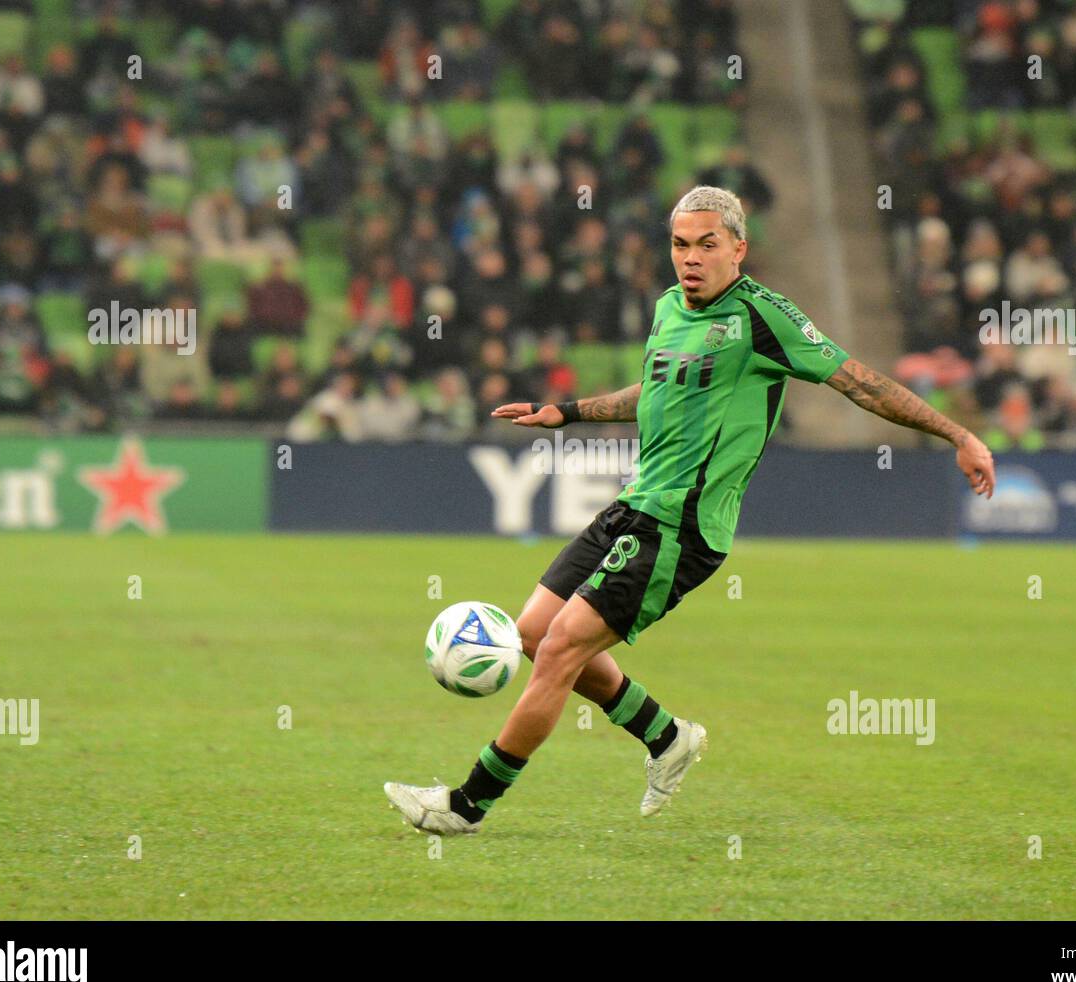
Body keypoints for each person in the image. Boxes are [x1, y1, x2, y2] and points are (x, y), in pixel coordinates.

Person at [385, 187, 996, 834]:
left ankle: (465, 805)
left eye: (708, 244)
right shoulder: (669, 308)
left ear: (739, 247)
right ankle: (667, 736)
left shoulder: (764, 318)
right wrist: (566, 412)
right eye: (681, 244)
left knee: (560, 648)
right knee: (533, 633)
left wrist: (957, 434)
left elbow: (859, 380)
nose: (691, 258)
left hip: (681, 529)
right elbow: (652, 391)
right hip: (631, 506)